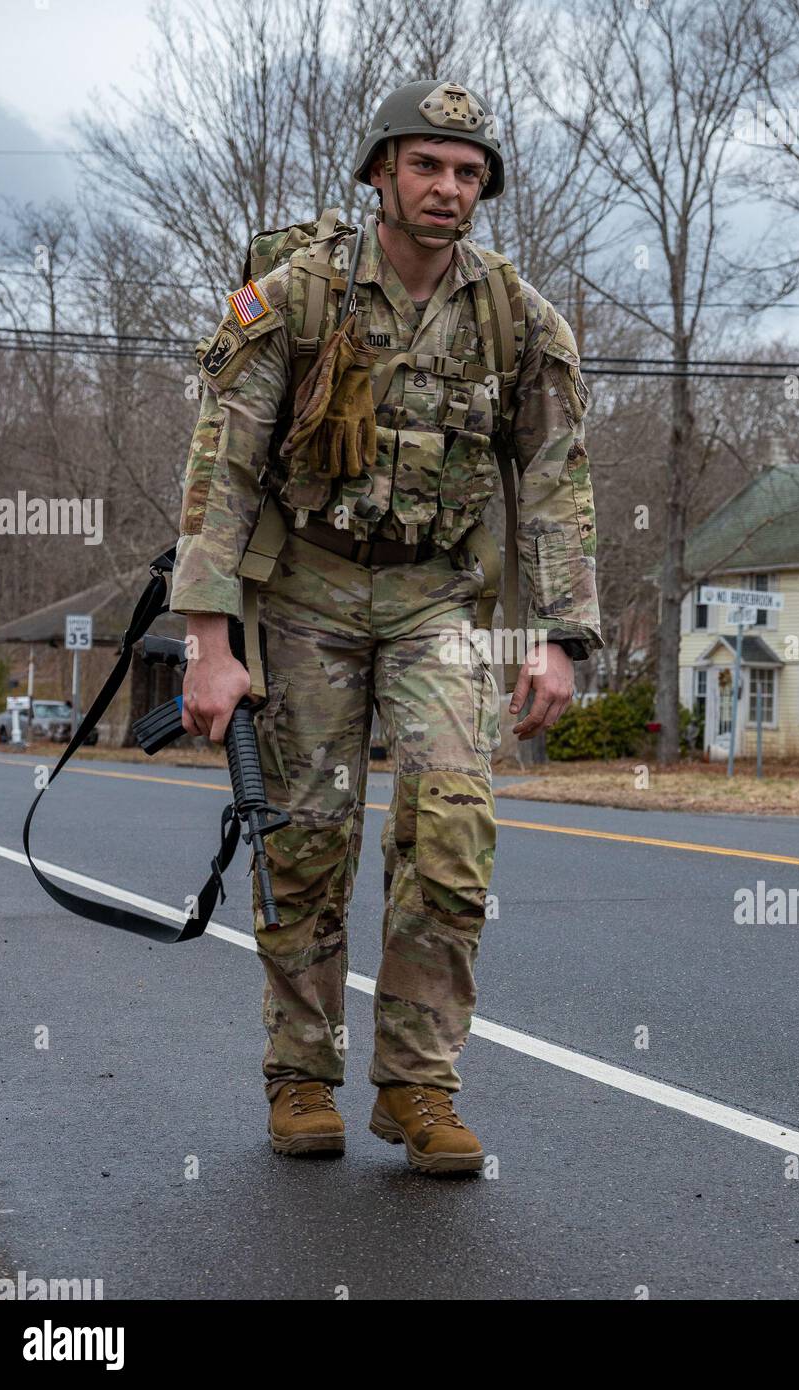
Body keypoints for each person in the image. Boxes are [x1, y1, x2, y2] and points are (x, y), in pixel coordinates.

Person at [169, 79, 601, 1173]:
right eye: (426, 166)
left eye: (468, 173)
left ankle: (417, 1087)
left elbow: (554, 481)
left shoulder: (516, 317)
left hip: (434, 602)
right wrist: (210, 644)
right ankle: (300, 1076)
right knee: (306, 842)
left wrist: (561, 635)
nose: (448, 189)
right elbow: (219, 472)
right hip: (306, 591)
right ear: (378, 173)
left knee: (452, 831)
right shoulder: (295, 298)